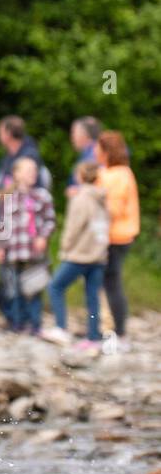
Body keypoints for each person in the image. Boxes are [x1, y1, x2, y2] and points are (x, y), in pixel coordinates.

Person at [43, 160, 108, 350]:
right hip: (98, 254)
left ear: (80, 176)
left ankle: (61, 327)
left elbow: (74, 227)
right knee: (92, 295)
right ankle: (94, 336)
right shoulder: (101, 197)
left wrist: (65, 247)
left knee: (55, 286)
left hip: (80, 254)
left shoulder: (80, 198)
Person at [0, 156, 54, 334]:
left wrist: (43, 237)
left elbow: (49, 221)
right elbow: (0, 225)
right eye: (28, 171)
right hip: (13, 251)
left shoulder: (42, 196)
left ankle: (35, 324)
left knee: (33, 288)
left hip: (33, 252)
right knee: (14, 289)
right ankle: (17, 323)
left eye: (35, 171)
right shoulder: (6, 198)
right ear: (16, 174)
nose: (33, 174)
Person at [95, 130, 140, 348]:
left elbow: (112, 208)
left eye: (97, 148)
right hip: (110, 235)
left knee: (111, 283)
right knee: (105, 282)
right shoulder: (111, 172)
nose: (94, 152)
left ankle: (120, 333)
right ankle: (104, 328)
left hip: (117, 237)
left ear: (106, 151)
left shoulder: (119, 174)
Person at [0, 114, 51, 191]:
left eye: (0, 132)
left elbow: (25, 185)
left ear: (8, 134)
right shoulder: (9, 156)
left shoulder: (30, 156)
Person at [65, 116, 100, 198]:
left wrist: (77, 190)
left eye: (74, 132)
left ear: (85, 134)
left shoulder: (94, 154)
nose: (72, 137)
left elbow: (97, 183)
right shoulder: (87, 153)